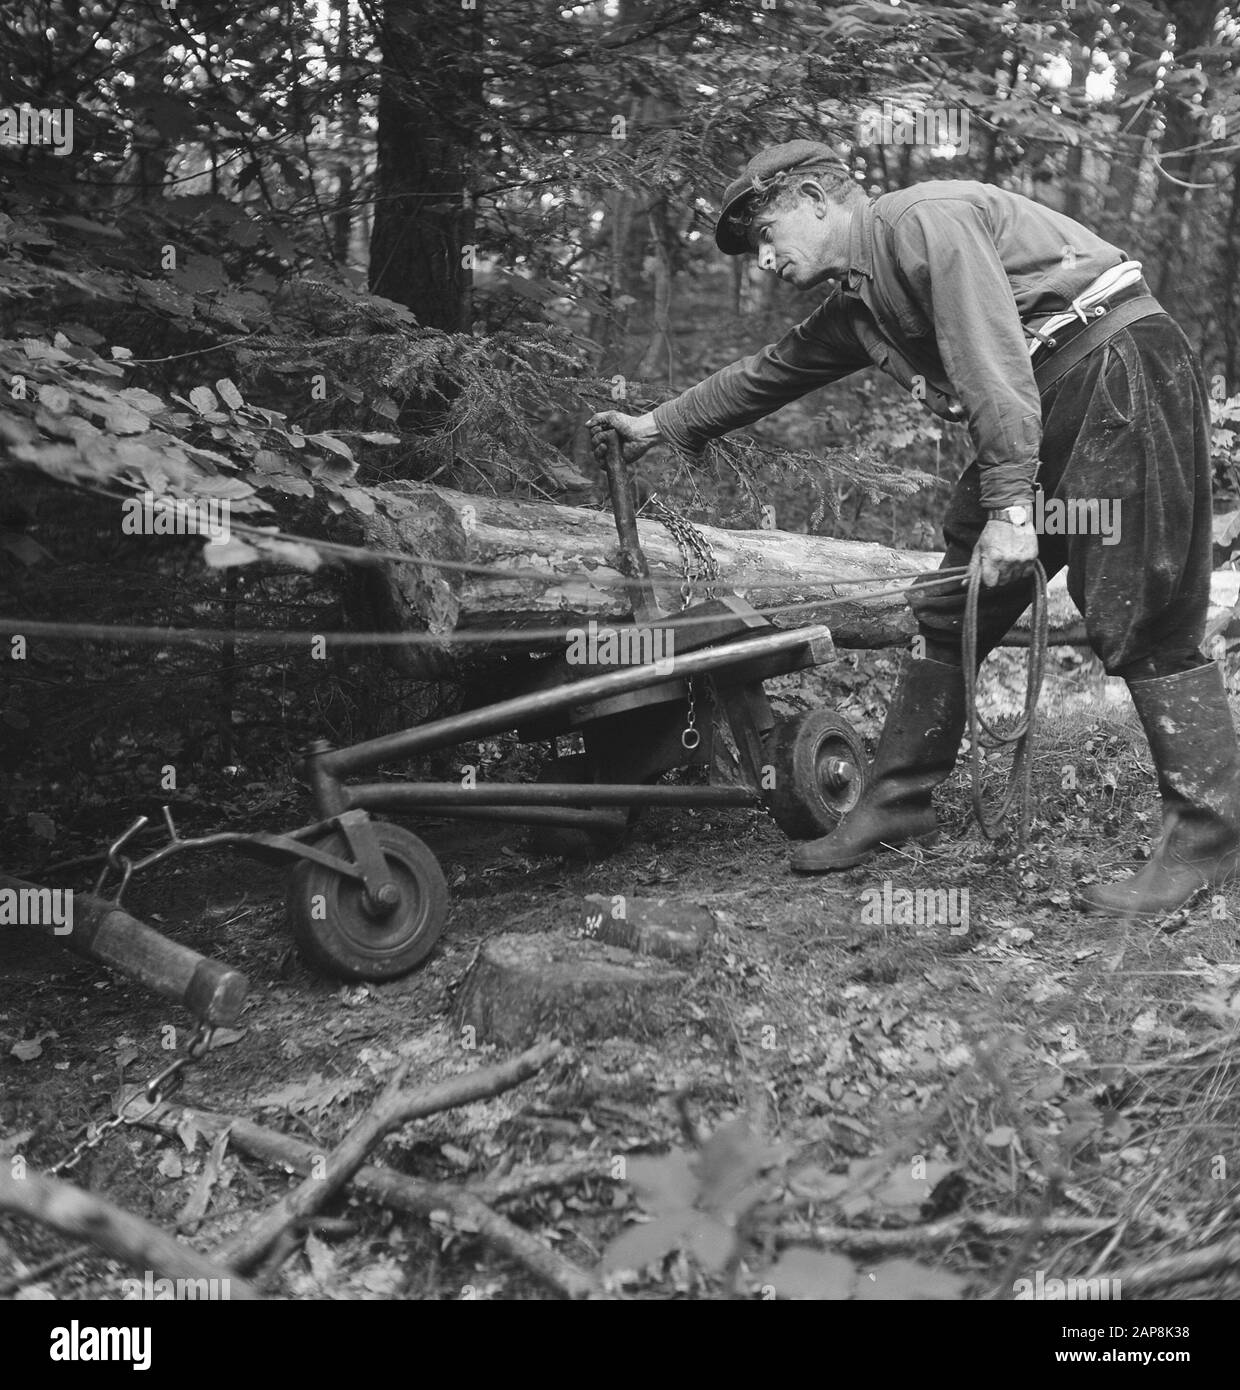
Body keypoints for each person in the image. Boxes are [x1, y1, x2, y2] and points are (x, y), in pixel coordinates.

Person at [588, 139, 1235, 917]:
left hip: (1115, 368)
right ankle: (899, 805)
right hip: (1052, 395)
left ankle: (1209, 835)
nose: (763, 258)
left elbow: (989, 355)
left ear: (819, 200)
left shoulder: (921, 223)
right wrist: (657, 424)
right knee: (956, 599)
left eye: (767, 232)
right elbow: (772, 370)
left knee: (1143, 606)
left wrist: (1010, 509)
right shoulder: (859, 304)